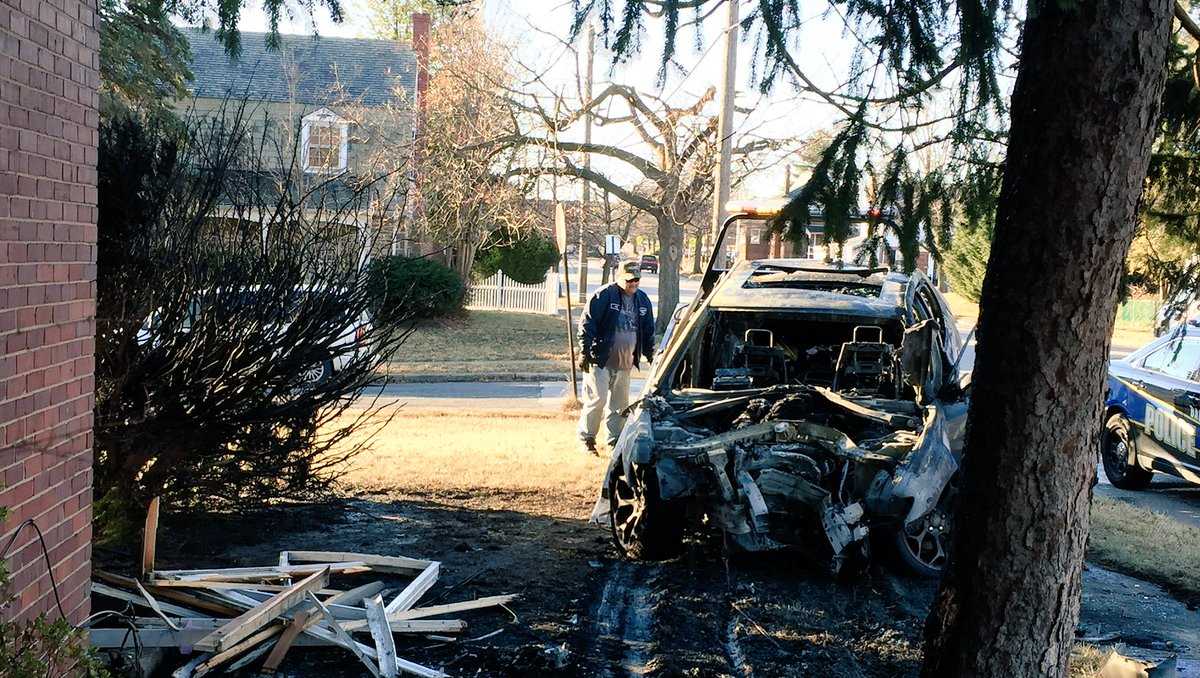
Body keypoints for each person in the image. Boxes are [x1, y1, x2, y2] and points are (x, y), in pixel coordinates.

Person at [577, 259, 656, 454]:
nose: (633, 284)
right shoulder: (604, 295)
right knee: (597, 400)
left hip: (625, 363)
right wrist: (584, 351)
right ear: (619, 277)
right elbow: (587, 324)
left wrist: (649, 354)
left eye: (637, 279)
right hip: (600, 361)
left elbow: (647, 330)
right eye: (629, 280)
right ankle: (587, 439)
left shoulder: (642, 300)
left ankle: (614, 442)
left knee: (619, 406)